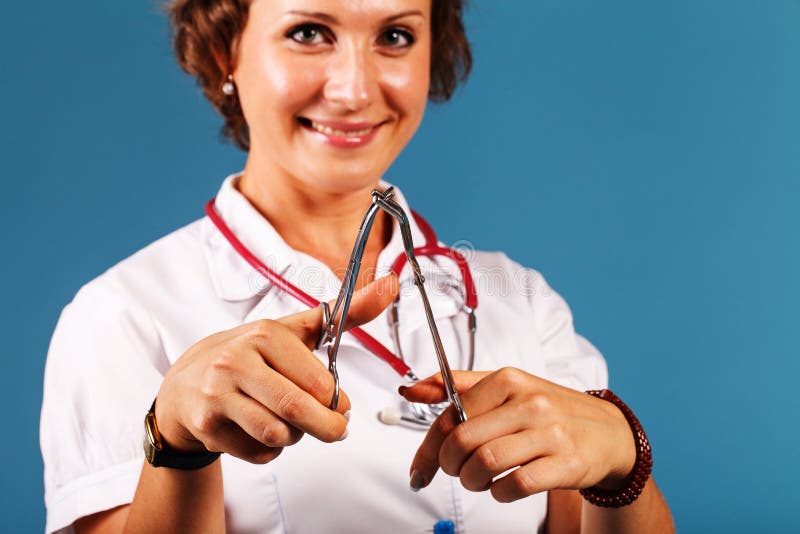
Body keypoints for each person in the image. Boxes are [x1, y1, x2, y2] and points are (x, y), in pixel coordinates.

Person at [40, 1, 675, 532]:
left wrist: (624, 468)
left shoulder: (522, 302)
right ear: (222, 53)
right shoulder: (122, 316)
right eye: (309, 33)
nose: (355, 89)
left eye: (395, 36)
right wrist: (174, 443)